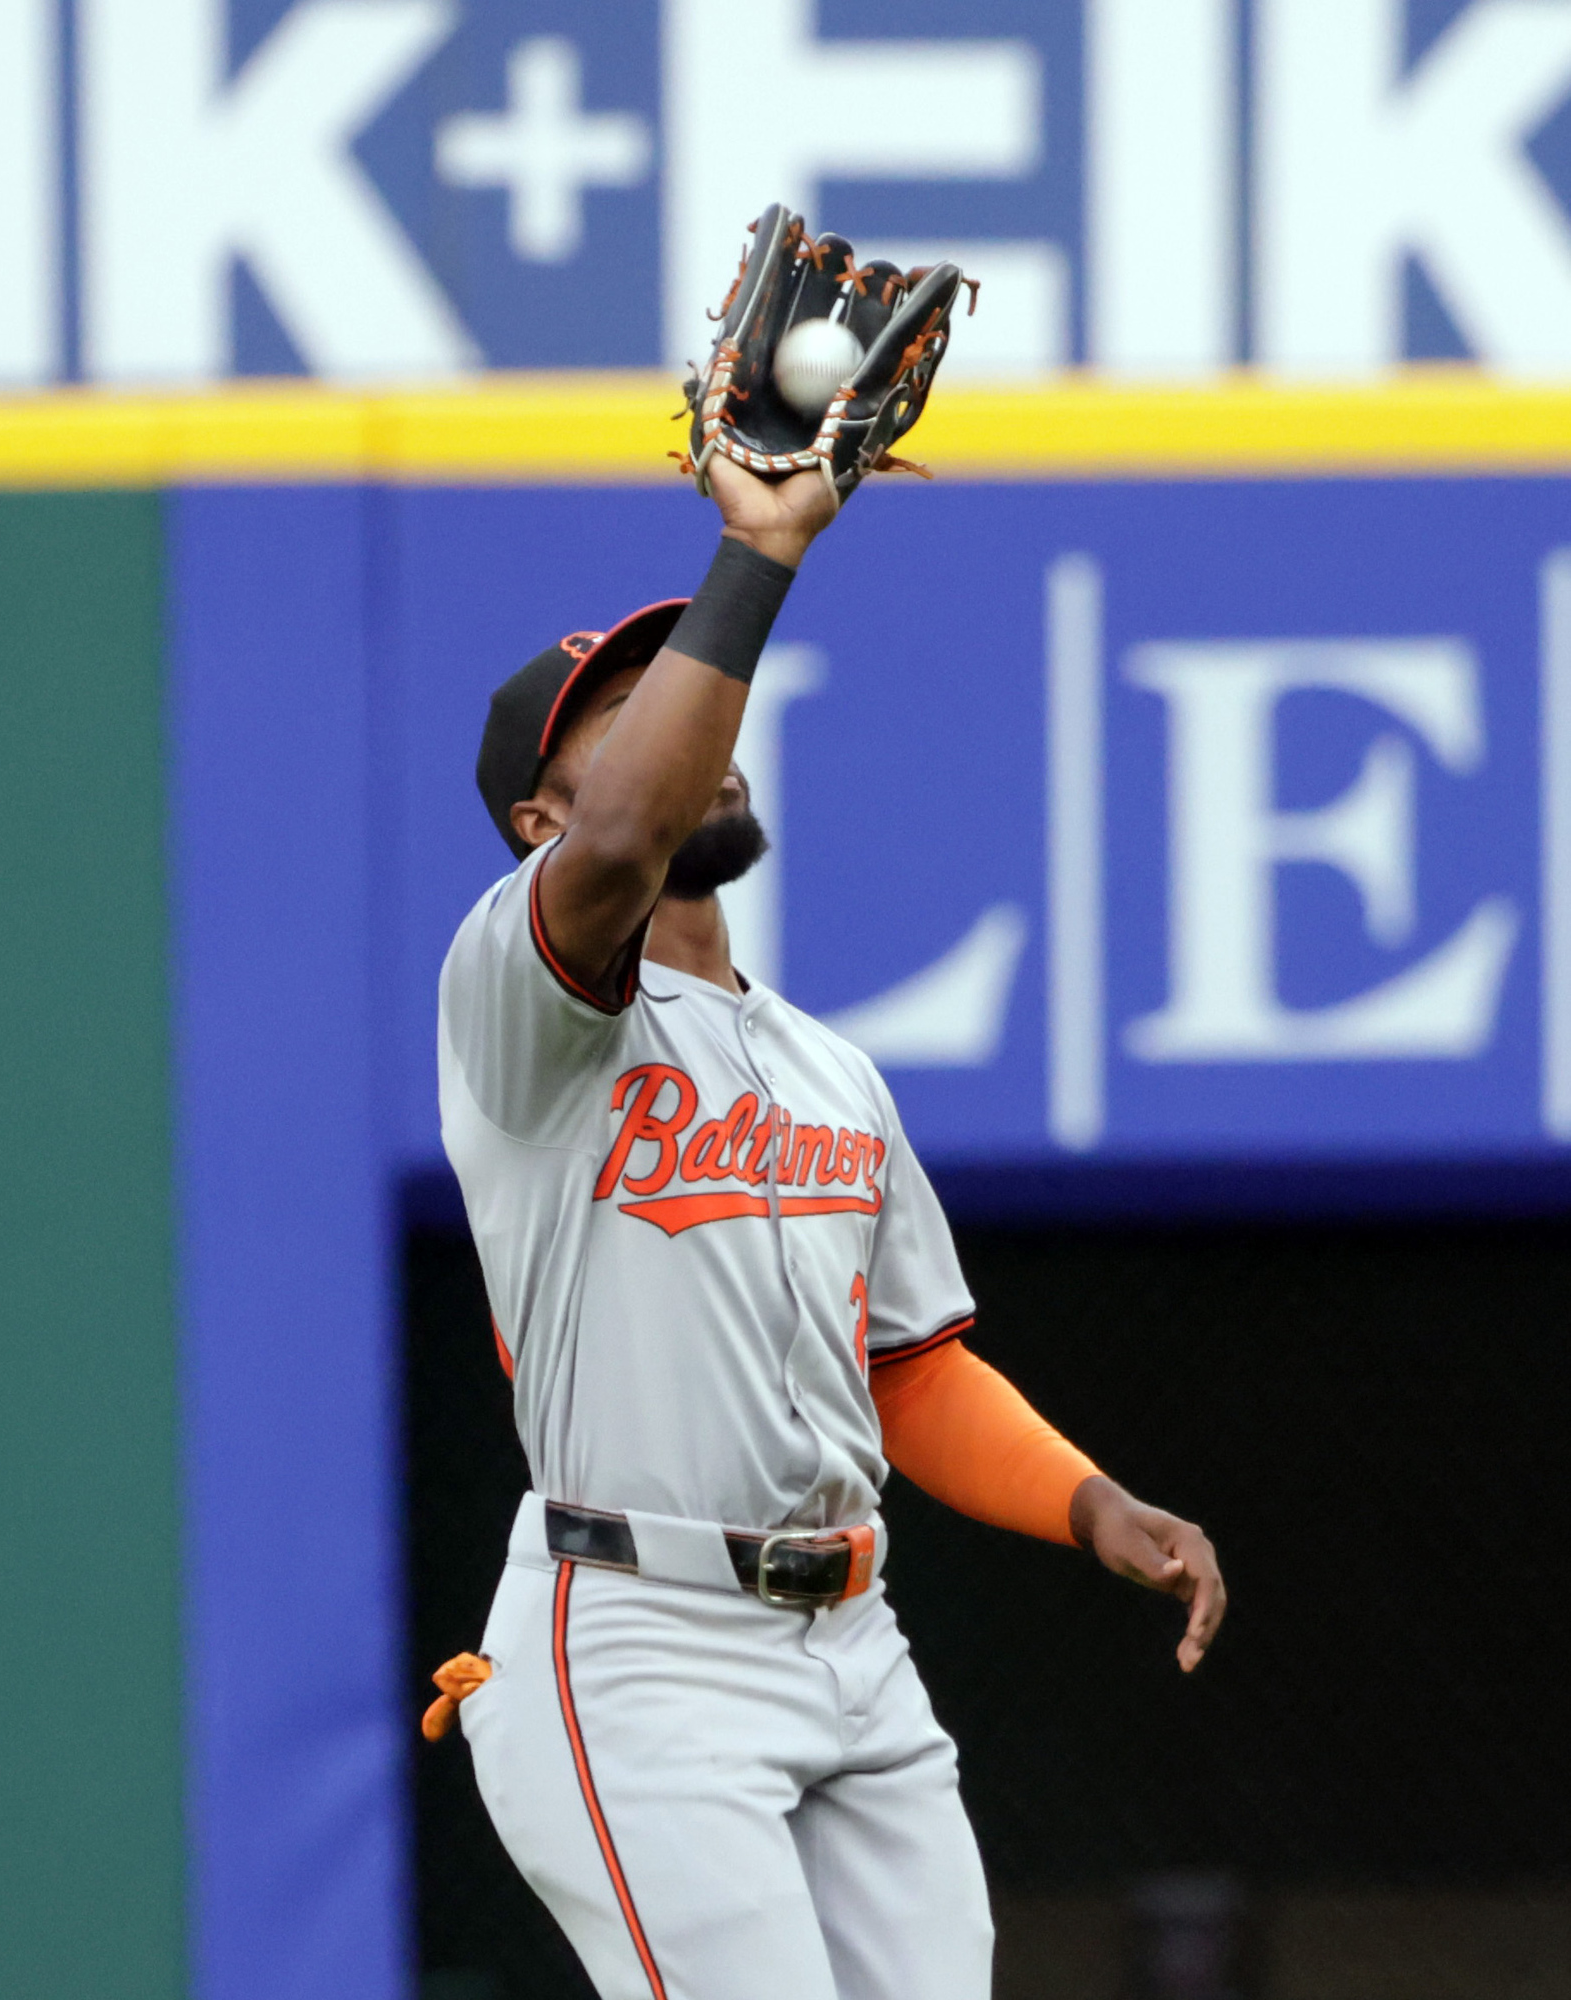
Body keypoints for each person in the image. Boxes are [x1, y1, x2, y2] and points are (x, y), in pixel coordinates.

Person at [428, 453, 1226, 2000]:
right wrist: (760, 551)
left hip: (854, 1640)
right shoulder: (519, 1002)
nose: (695, 729)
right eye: (629, 717)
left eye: (690, 696)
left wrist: (1088, 1503)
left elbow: (906, 1368)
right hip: (640, 1638)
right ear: (539, 815)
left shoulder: (825, 1067)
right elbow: (619, 849)